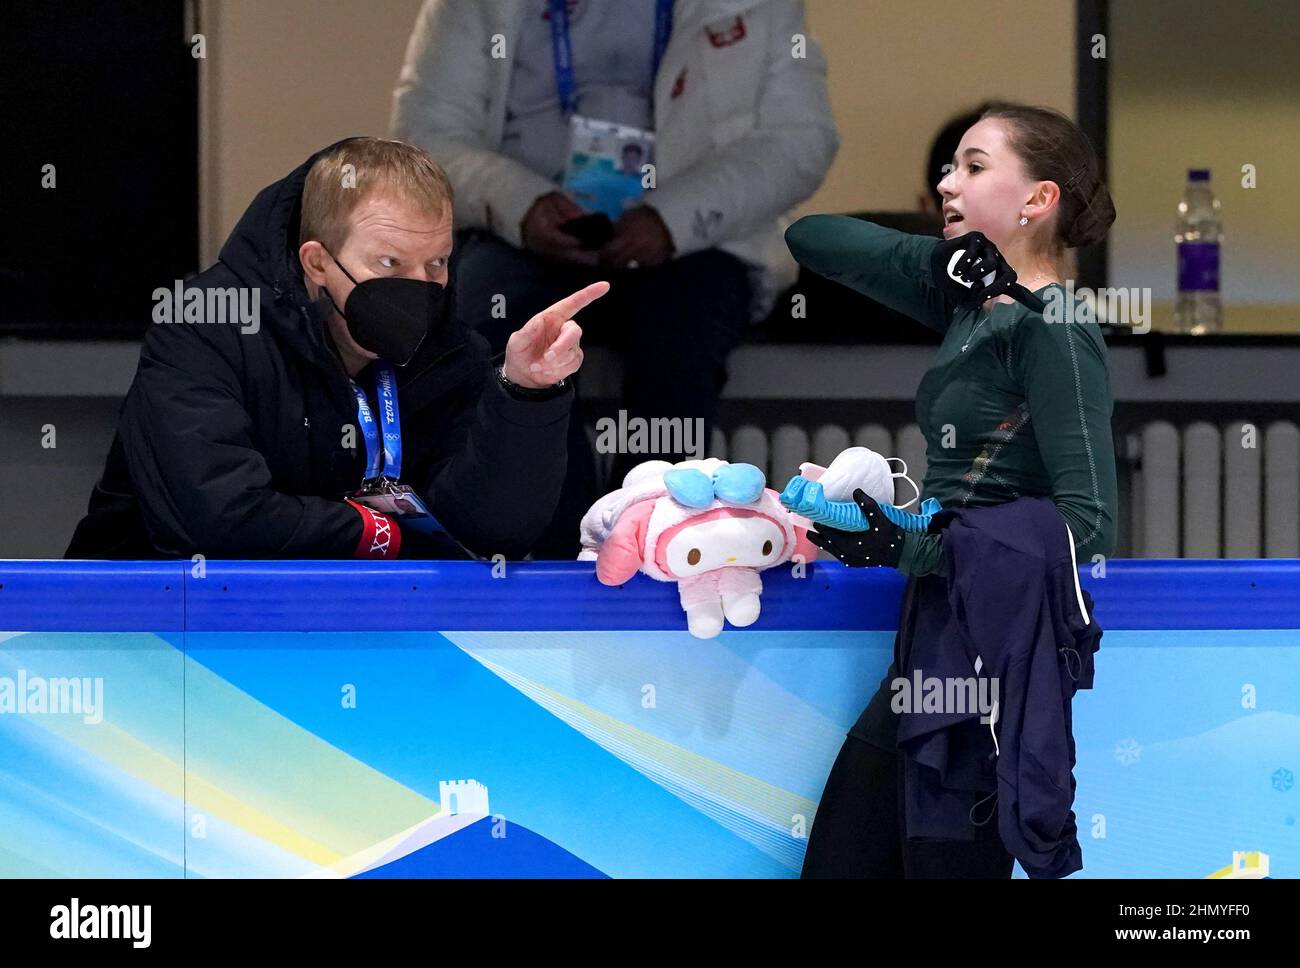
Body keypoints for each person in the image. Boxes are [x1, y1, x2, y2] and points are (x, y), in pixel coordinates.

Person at [787, 102, 1119, 877]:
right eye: (950, 167)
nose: (946, 183)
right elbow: (810, 238)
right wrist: (941, 265)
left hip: (986, 655)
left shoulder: (1058, 324)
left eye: (973, 167)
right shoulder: (971, 302)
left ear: (1039, 200)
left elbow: (1089, 523)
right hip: (934, 635)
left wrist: (907, 542)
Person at [391, 0, 839, 556]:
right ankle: (559, 554)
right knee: (489, 314)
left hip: (692, 241)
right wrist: (520, 205)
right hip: (517, 234)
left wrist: (671, 218)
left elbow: (801, 139)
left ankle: (657, 538)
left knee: (684, 329)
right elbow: (425, 134)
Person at [65, 137, 608, 561]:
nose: (420, 287)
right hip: (151, 645)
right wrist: (380, 535)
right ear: (317, 262)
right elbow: (216, 519)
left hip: (355, 642)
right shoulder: (205, 325)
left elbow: (491, 536)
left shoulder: (448, 351)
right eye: (390, 264)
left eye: (436, 263)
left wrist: (525, 394)